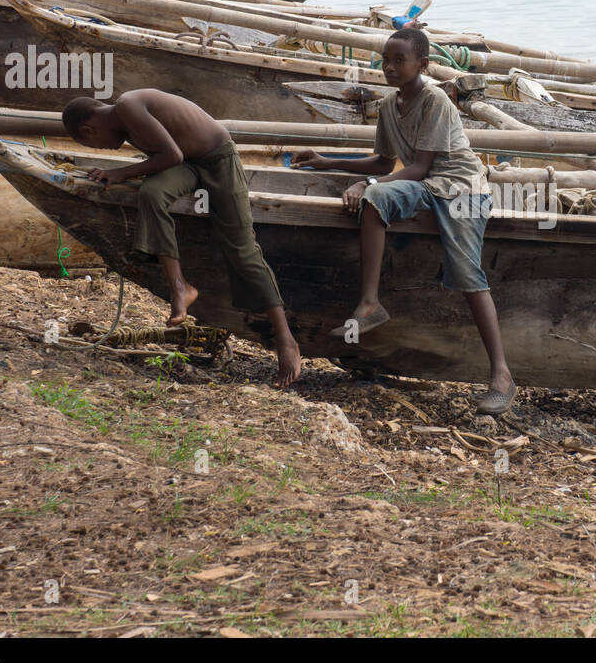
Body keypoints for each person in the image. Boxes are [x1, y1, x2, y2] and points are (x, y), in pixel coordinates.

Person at [293, 29, 517, 415]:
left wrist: (367, 183)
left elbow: (418, 166)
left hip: (462, 188)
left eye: (400, 60)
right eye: (386, 59)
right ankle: (369, 304)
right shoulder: (387, 106)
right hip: (427, 184)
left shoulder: (435, 100)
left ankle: (502, 376)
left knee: (467, 272)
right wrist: (328, 161)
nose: (390, 67)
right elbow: (383, 163)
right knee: (376, 199)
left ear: (423, 65)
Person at [60, 89, 301, 388]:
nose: (101, 149)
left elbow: (170, 154)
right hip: (186, 164)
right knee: (151, 193)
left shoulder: (128, 106)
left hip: (218, 160)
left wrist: (122, 173)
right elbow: (174, 157)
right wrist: (125, 172)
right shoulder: (123, 124)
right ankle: (180, 287)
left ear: (88, 129)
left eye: (91, 144)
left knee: (243, 251)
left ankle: (286, 340)